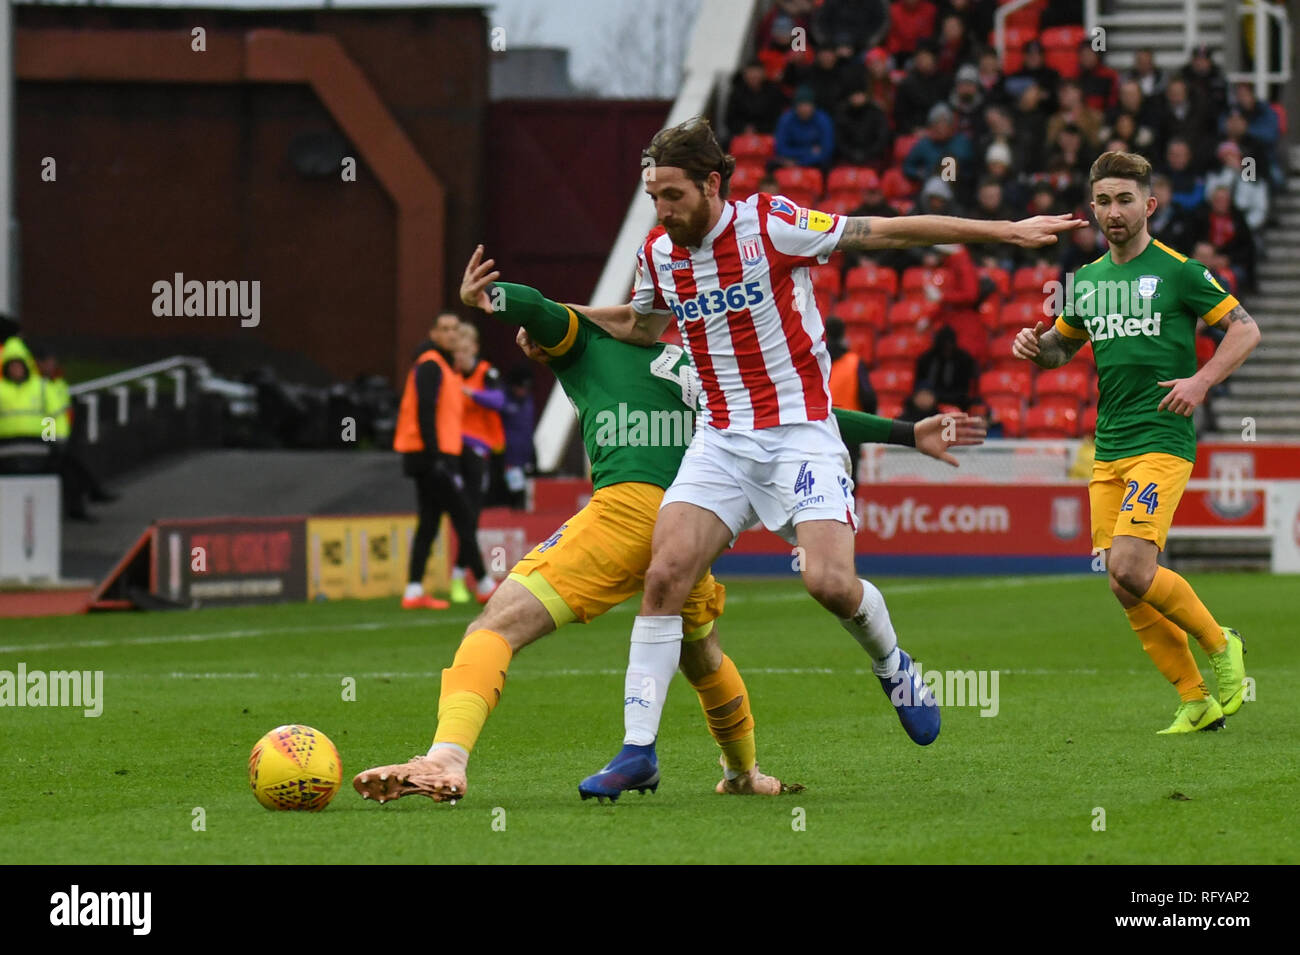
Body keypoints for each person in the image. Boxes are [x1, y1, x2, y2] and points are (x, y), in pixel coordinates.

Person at [352, 254, 987, 804]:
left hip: (627, 514)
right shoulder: (704, 367)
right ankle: (743, 772)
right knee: (700, 652)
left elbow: (538, 311)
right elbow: (812, 416)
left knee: (495, 626)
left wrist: (492, 299)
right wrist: (904, 433)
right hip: (692, 528)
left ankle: (446, 758)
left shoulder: (589, 344)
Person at [568, 116, 1083, 794]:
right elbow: (641, 323)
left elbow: (888, 230)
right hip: (720, 440)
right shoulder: (660, 252)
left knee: (829, 584)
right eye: (655, 197)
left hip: (799, 433)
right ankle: (638, 750)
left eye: (674, 196)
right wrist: (557, 315)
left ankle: (894, 663)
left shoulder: (770, 224)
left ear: (712, 184)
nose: (662, 211)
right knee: (664, 575)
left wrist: (1006, 232)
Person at [1011, 150, 1260, 734]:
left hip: (1162, 440)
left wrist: (1201, 381)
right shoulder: (1088, 282)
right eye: (1103, 201)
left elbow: (1245, 330)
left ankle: (1221, 643)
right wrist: (1034, 345)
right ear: (1092, 207)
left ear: (1149, 205)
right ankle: (1194, 698)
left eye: (1125, 200)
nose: (1113, 211)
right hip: (1110, 446)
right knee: (1123, 585)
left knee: (1130, 565)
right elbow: (1058, 351)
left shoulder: (1180, 272)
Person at [392, 312, 483, 611]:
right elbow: (426, 411)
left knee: (430, 522)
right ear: (434, 333)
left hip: (435, 454)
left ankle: (413, 589)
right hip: (431, 457)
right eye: (444, 329)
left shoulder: (445, 367)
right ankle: (484, 584)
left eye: (455, 329)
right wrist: (436, 455)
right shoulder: (431, 364)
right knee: (463, 515)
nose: (451, 334)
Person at [452, 322, 504, 603]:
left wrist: (471, 394)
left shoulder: (486, 373)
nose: (459, 354)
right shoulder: (450, 375)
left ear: (474, 348)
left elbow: (498, 401)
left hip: (481, 451)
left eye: (464, 348)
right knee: (464, 516)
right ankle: (467, 580)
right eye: (456, 349)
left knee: (470, 516)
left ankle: (459, 576)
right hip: (455, 451)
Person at [0, 337, 49, 476]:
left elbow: (51, 416)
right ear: (6, 367)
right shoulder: (1, 389)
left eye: (19, 365)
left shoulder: (40, 387)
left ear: (26, 365)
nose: (16, 369)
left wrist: (50, 441)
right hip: (5, 450)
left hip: (38, 449)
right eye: (12, 365)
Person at [772, 86, 834, 172]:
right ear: (795, 106)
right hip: (790, 160)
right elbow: (780, 149)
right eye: (801, 105)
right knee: (772, 165)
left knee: (827, 166)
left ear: (813, 106)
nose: (804, 109)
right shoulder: (785, 120)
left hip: (814, 162)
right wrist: (808, 151)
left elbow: (827, 150)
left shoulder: (823, 120)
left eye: (807, 104)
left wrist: (800, 163)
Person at [914, 325, 976, 409]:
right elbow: (920, 384)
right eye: (945, 346)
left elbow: (966, 391)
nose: (948, 348)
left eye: (950, 345)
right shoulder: (927, 359)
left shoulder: (964, 360)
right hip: (929, 400)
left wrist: (939, 398)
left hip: (956, 401)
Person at [499, 365, 535, 510]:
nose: (523, 391)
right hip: (507, 458)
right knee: (513, 494)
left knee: (525, 495)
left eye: (526, 388)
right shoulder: (503, 400)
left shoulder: (528, 401)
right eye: (520, 387)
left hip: (525, 456)